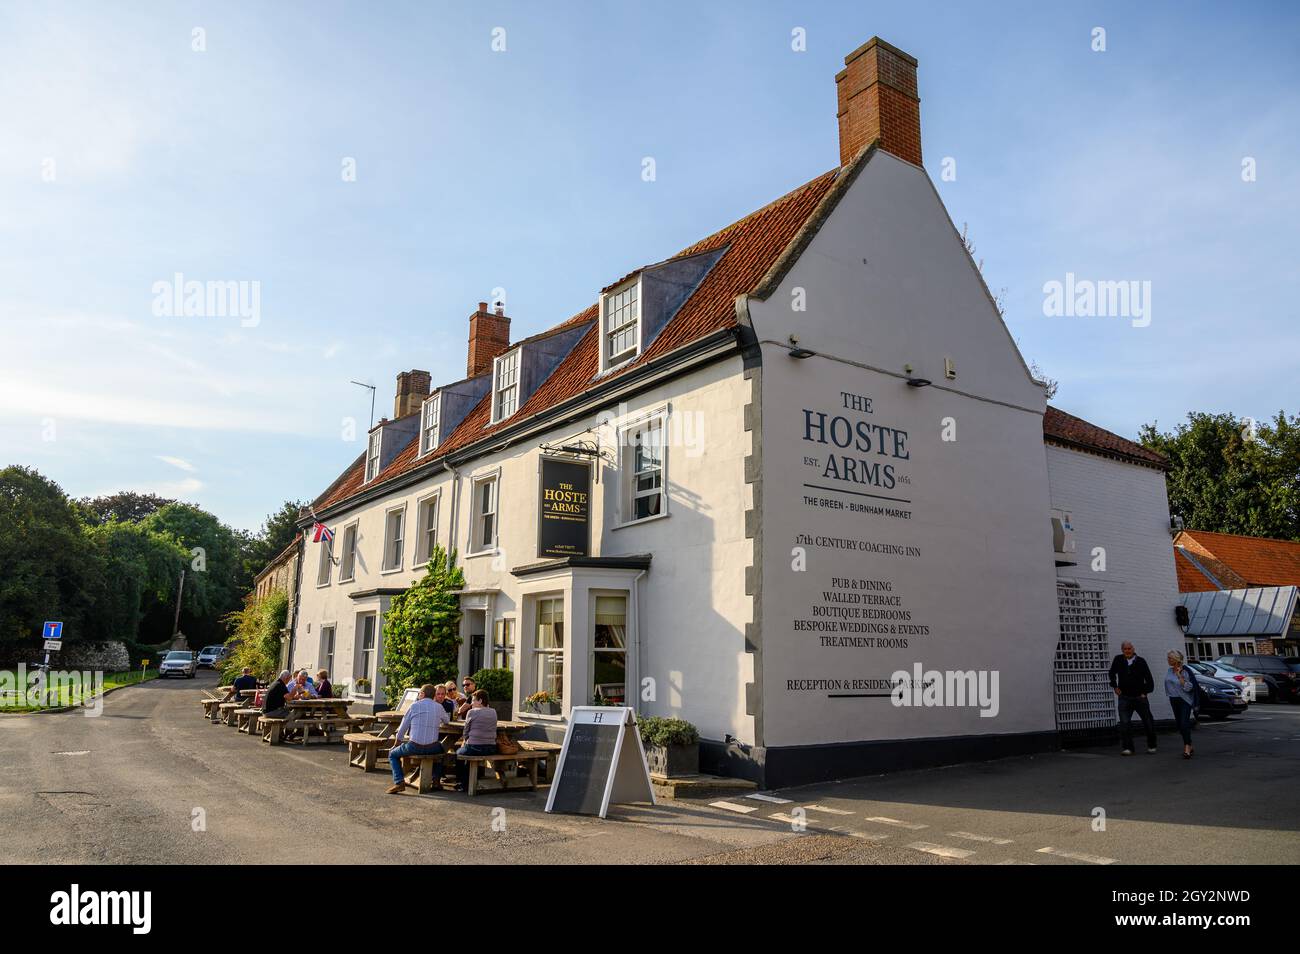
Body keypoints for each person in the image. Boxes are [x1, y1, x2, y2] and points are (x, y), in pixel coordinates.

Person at [387, 684, 449, 794]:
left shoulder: (414, 706)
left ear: (422, 694)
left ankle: (399, 782)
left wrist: (397, 742)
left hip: (414, 746)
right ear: (434, 695)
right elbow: (447, 721)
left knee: (392, 754)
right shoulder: (439, 707)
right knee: (442, 750)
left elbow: (403, 727)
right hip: (432, 747)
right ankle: (436, 781)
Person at [1108, 641, 1157, 755]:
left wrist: (1145, 692)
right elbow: (1111, 673)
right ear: (1122, 650)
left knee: (1147, 722)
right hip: (1124, 697)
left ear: (1133, 649)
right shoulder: (1118, 660)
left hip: (1140, 697)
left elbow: (1149, 678)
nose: (1128, 651)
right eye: (1125, 649)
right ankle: (1128, 748)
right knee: (1125, 723)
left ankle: (1152, 745)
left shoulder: (1141, 661)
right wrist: (1115, 686)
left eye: (1129, 648)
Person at [455, 690, 498, 792]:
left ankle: (463, 783)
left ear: (480, 700)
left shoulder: (472, 712)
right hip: (491, 748)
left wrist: (465, 741)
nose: (471, 703)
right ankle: (474, 778)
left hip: (475, 748)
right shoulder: (493, 712)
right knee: (466, 752)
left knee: (458, 754)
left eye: (473, 700)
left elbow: (465, 732)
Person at [1165, 650, 1198, 759]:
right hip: (1173, 700)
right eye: (1168, 658)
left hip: (1184, 700)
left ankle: (1187, 747)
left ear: (1175, 659)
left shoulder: (1185, 671)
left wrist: (1179, 676)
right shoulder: (1169, 671)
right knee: (1180, 725)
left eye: (1170, 658)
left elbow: (1189, 687)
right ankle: (1189, 744)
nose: (1168, 660)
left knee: (1184, 723)